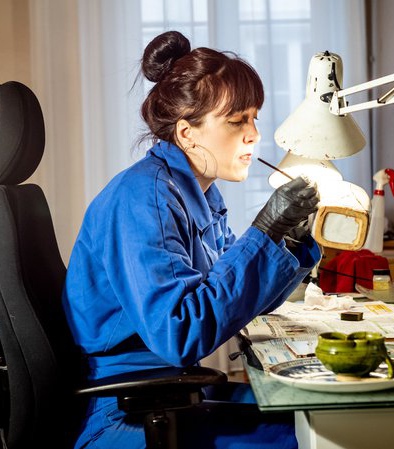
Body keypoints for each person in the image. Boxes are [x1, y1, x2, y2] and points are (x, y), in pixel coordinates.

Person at [62, 30, 321, 449]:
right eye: (238, 121)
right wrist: (264, 233)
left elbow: (237, 296)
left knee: (308, 408)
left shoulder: (196, 193)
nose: (254, 134)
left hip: (164, 391)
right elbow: (179, 333)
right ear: (187, 133)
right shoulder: (144, 199)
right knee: (315, 435)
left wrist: (287, 243)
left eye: (254, 117)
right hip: (125, 410)